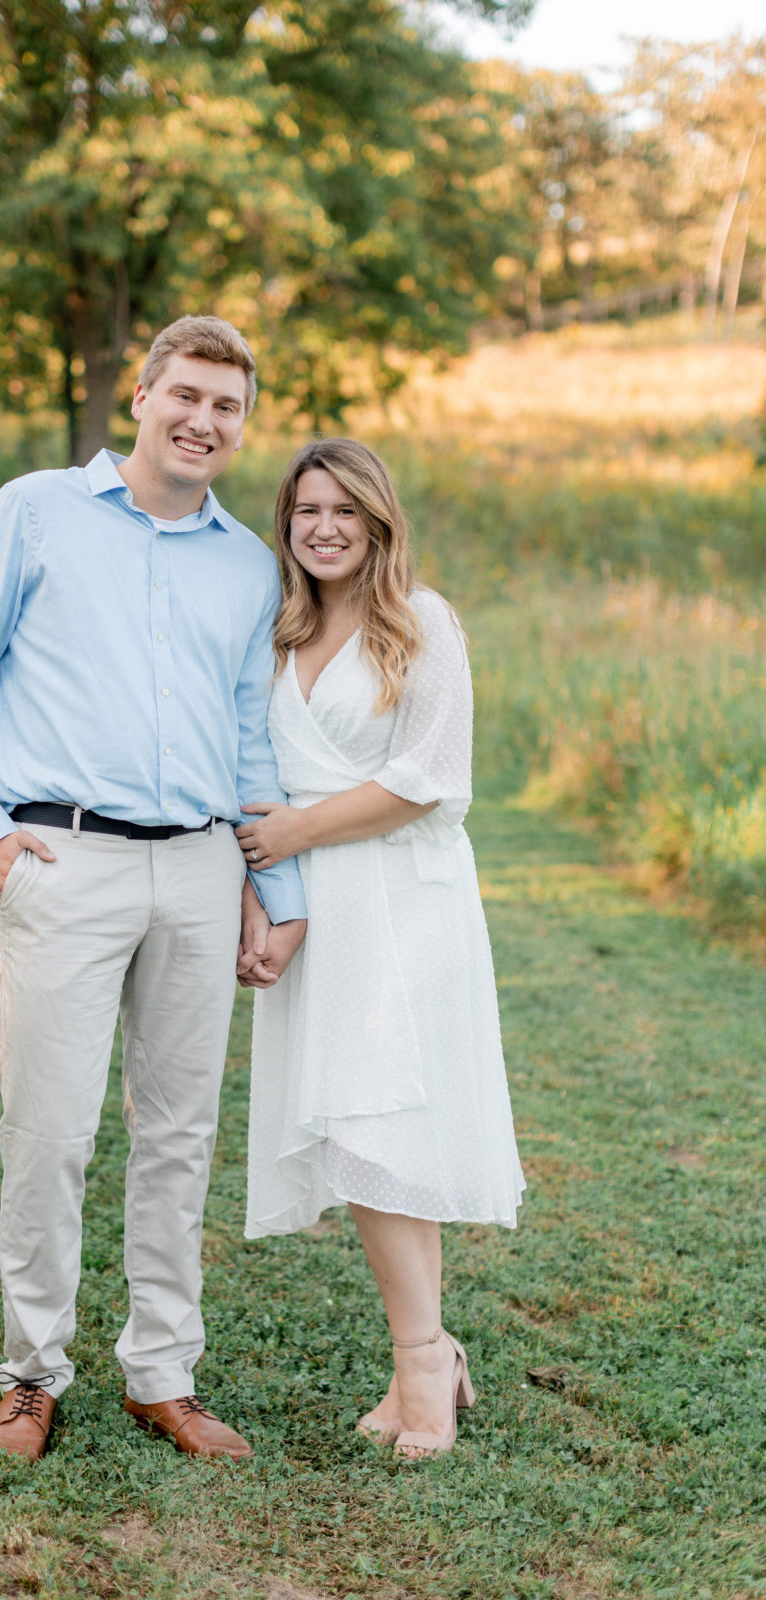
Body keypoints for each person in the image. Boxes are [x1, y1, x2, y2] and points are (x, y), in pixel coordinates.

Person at [0, 316, 307, 1465]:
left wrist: (269, 885)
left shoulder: (247, 562)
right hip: (59, 857)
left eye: (226, 406)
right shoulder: (33, 509)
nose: (201, 420)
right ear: (137, 396)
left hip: (195, 864)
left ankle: (162, 1373)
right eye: (183, 394)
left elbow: (246, 734)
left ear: (242, 423)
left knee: (180, 1129)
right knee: (48, 1128)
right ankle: (31, 1373)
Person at [235, 438, 524, 1460]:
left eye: (341, 510)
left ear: (376, 521)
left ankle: (420, 1367)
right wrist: (259, 895)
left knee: (382, 1128)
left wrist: (292, 835)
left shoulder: (421, 622)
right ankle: (426, 1355)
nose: (321, 526)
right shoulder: (276, 633)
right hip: (319, 910)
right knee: (363, 1133)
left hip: (403, 900)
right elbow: (249, 776)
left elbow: (427, 779)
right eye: (304, 509)